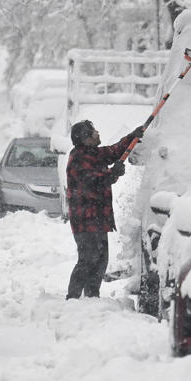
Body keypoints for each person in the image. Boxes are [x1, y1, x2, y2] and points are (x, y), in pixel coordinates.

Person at [65, 120, 144, 299]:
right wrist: (112, 173)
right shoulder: (78, 158)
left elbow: (114, 151)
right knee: (88, 259)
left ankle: (92, 296)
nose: (98, 133)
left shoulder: (93, 153)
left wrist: (132, 137)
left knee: (100, 260)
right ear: (85, 138)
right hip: (85, 220)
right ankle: (72, 297)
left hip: (98, 217)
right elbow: (92, 181)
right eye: (94, 131)